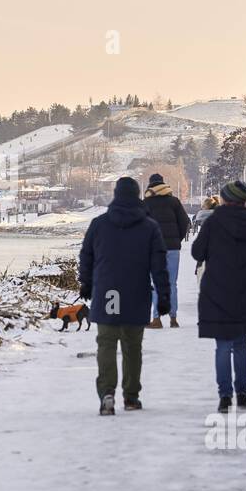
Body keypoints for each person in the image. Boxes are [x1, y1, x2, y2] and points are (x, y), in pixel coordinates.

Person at [78, 177, 170, 415]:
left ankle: (107, 393)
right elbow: (159, 265)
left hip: (107, 291)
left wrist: (86, 284)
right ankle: (131, 396)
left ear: (116, 195)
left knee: (106, 344)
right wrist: (164, 296)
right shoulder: (149, 227)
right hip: (136, 292)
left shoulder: (99, 224)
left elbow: (86, 256)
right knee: (132, 347)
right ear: (137, 195)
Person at [189, 180, 246, 414]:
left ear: (225, 198)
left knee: (223, 346)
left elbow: (197, 252)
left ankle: (225, 395)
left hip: (217, 290)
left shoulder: (214, 221)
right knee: (240, 343)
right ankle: (243, 391)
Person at [142, 173, 191, 329]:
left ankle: (156, 319)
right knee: (172, 284)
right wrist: (177, 239)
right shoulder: (174, 202)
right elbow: (185, 223)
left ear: (150, 186)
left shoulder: (145, 204)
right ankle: (173, 318)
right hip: (172, 249)